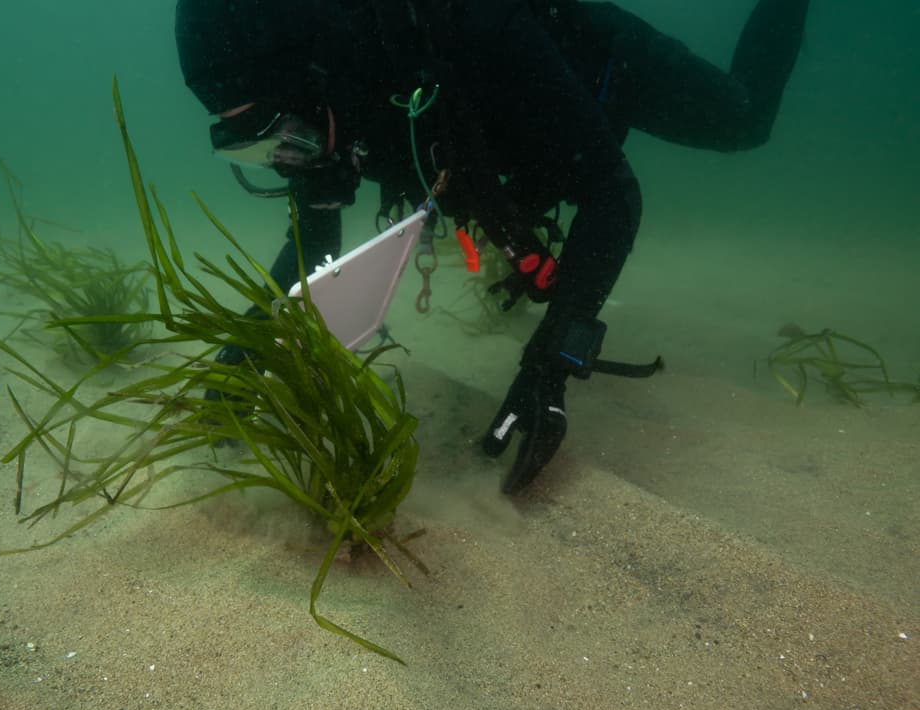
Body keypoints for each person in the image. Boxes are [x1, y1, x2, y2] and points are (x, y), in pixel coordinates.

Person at [174, 0, 809, 493]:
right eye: (255, 147)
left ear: (322, 71)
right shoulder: (331, 98)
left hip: (591, 68)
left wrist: (550, 366)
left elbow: (614, 195)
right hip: (504, 152)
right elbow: (313, 251)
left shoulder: (473, 25)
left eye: (288, 136)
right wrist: (241, 362)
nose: (288, 161)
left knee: (743, 119)